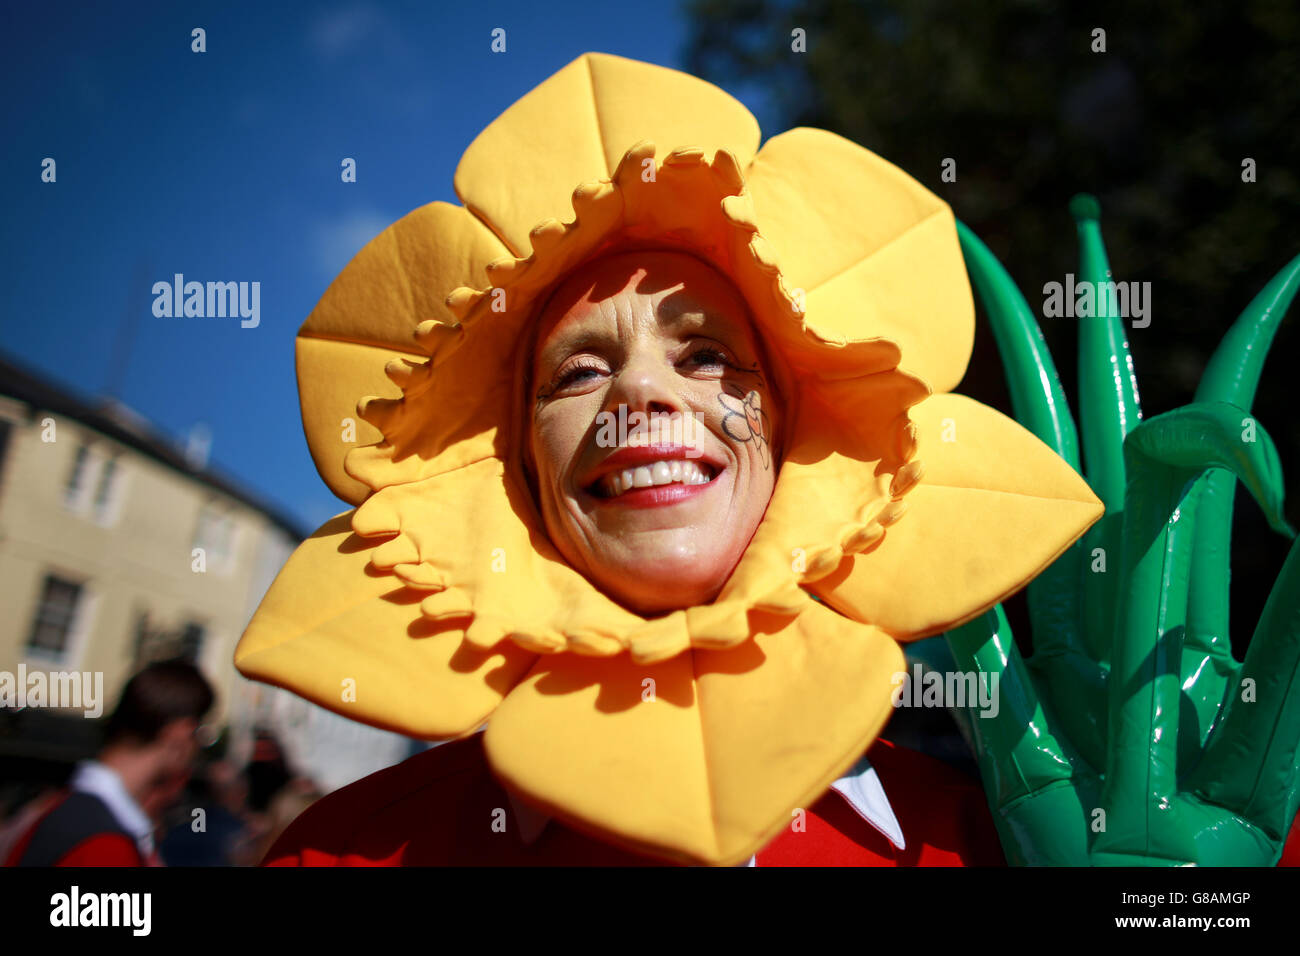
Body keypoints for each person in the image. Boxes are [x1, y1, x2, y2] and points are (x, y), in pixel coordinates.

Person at [233, 52, 1115, 866]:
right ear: (517, 465)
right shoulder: (343, 854)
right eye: (577, 373)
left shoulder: (999, 841)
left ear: (787, 422)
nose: (640, 398)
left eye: (705, 356)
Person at [5, 659, 214, 867]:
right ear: (180, 732)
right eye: (200, 734)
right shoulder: (105, 843)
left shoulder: (49, 808)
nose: (197, 750)